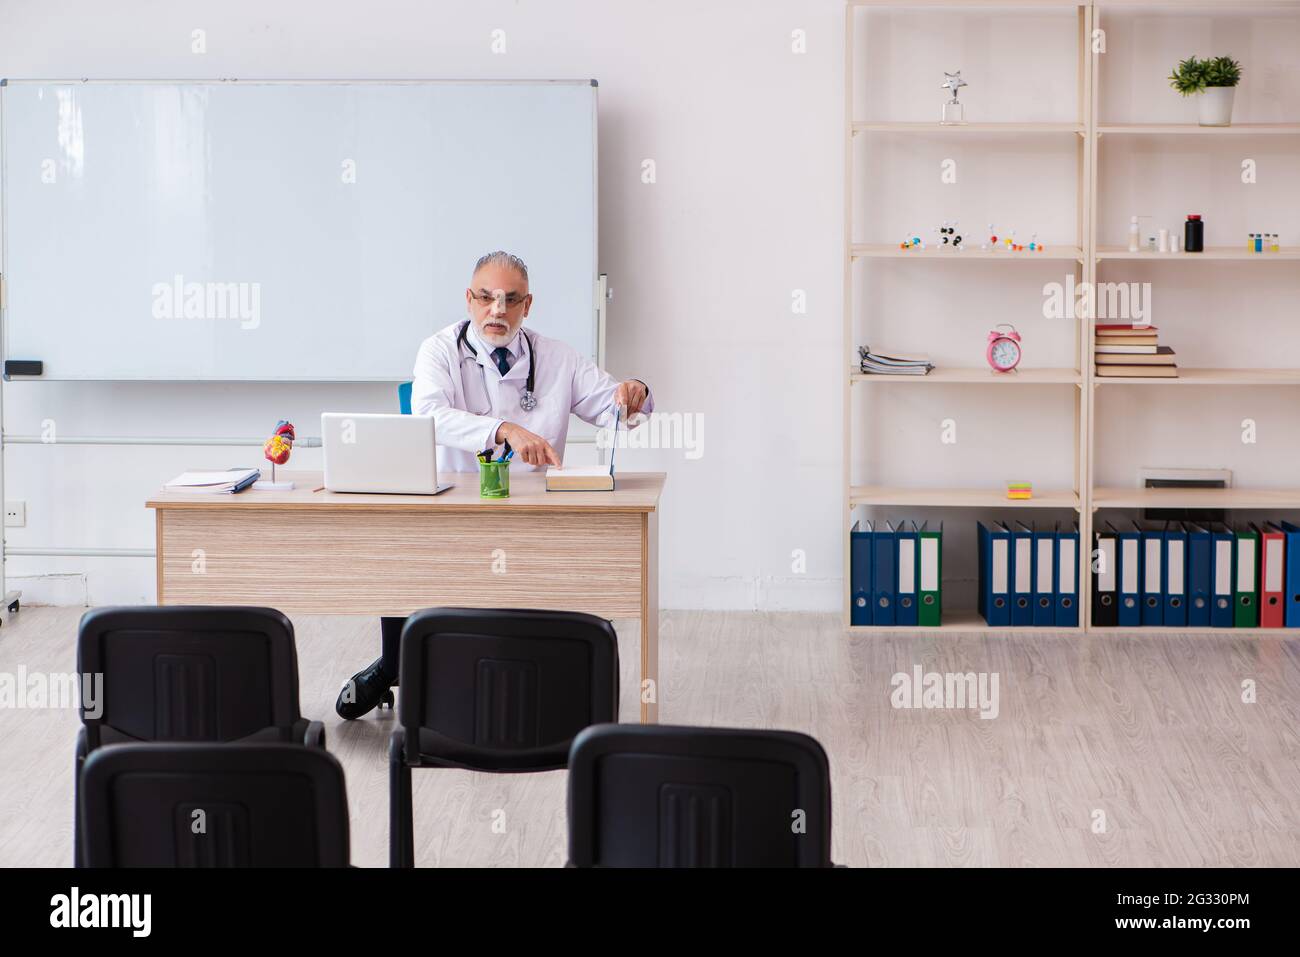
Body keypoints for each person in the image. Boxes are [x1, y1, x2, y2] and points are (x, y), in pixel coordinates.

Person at [335, 250, 652, 719]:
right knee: (399, 550)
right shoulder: (439, 350)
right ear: (469, 299)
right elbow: (429, 415)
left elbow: (618, 408)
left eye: (510, 300)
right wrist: (505, 429)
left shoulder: (557, 357)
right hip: (448, 514)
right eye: (486, 298)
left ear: (528, 305)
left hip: (531, 517)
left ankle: (554, 678)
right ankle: (397, 662)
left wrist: (635, 392)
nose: (497, 311)